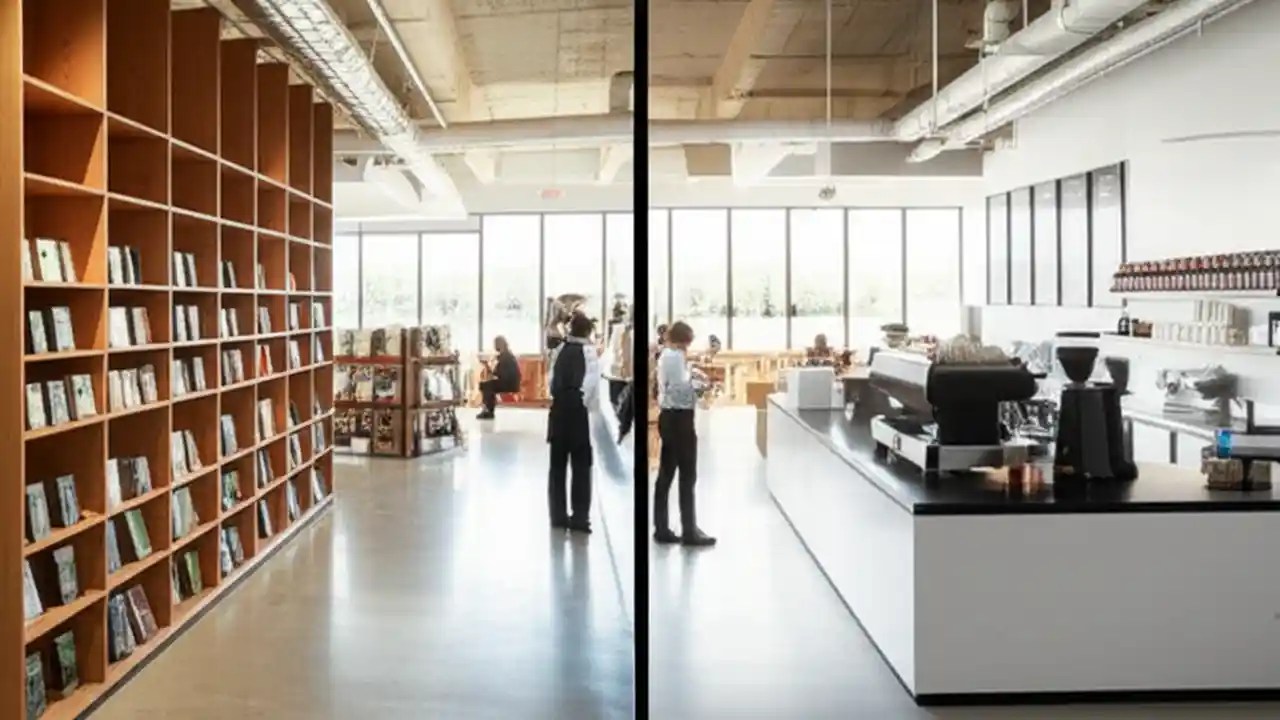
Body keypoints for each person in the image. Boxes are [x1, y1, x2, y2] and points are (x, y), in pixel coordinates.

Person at [654, 321, 715, 547]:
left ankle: (661, 527)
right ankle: (689, 530)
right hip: (680, 418)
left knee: (666, 473)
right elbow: (680, 389)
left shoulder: (667, 355)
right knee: (687, 475)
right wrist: (699, 386)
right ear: (683, 340)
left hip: (668, 417)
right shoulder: (674, 357)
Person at [547, 313, 599, 533]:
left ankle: (558, 516)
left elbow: (551, 382)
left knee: (557, 466)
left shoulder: (559, 350)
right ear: (588, 332)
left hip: (558, 410)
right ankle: (580, 517)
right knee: (581, 466)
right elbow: (591, 387)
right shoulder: (589, 353)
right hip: (578, 413)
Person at [478, 336, 520, 420]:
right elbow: (497, 373)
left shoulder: (506, 356)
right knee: (486, 385)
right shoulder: (505, 355)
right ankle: (488, 409)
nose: (494, 347)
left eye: (496, 344)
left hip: (510, 383)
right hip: (508, 381)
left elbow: (498, 373)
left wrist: (487, 366)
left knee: (487, 385)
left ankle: (488, 410)